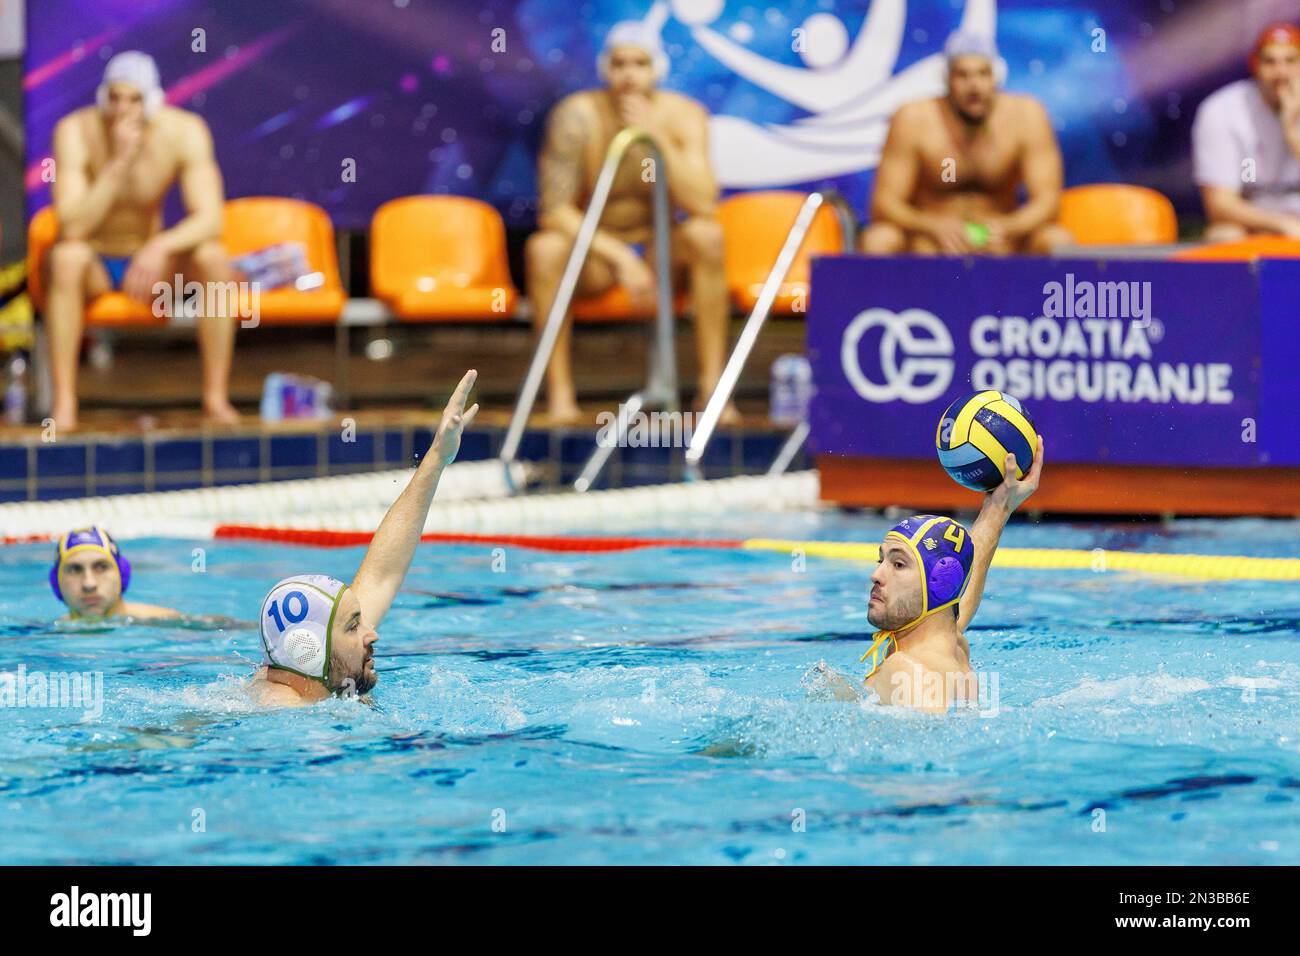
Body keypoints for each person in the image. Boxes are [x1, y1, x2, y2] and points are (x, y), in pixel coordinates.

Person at [526, 21, 736, 424]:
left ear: (656, 69)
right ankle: (560, 396)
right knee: (544, 248)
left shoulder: (684, 116)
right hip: (601, 257)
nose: (629, 74)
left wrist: (653, 134)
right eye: (619, 63)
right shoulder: (577, 117)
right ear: (605, 68)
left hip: (661, 252)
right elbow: (554, 211)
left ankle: (713, 389)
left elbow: (704, 203)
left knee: (707, 237)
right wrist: (620, 256)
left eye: (639, 63)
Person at [248, 370, 479, 706]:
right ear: (307, 649)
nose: (373, 634)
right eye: (354, 627)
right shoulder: (277, 712)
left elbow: (382, 574)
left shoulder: (317, 671)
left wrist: (437, 458)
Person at [46, 50, 239, 431]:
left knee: (214, 258)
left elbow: (210, 218)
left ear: (152, 101)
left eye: (133, 99)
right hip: (96, 266)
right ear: (102, 97)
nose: (122, 109)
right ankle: (64, 402)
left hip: (152, 270)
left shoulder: (184, 132)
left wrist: (160, 245)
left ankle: (215, 397)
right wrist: (117, 163)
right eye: (114, 97)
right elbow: (71, 227)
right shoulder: (75, 132)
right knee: (66, 257)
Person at [812, 436, 1044, 713]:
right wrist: (999, 507)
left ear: (938, 587)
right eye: (881, 560)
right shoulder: (953, 648)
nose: (876, 574)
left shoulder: (906, 671)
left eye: (898, 564)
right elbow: (957, 602)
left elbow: (934, 744)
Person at [859, 31, 1072, 256]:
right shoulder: (914, 119)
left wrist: (1010, 227)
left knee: (1057, 239)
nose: (974, 86)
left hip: (1003, 243)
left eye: (983, 74)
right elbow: (884, 203)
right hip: (930, 245)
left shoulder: (1027, 116)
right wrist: (932, 226)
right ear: (947, 79)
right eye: (962, 75)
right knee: (879, 239)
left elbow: (1048, 202)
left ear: (996, 77)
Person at [1192, 22, 1300, 241]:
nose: (1281, 73)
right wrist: (1283, 225)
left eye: (1290, 61)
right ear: (1255, 66)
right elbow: (1220, 204)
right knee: (1223, 234)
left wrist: (1292, 132)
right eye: (1270, 62)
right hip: (1257, 222)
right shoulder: (1222, 109)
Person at [51, 525, 181, 620]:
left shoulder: (166, 622)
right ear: (57, 583)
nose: (89, 584)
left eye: (101, 567)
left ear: (122, 575)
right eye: (74, 570)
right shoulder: (47, 632)